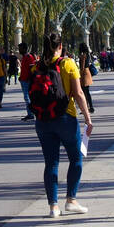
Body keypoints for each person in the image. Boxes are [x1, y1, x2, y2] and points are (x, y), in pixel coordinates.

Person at [28, 31, 93, 217]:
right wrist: (88, 118)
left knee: (51, 163)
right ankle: (71, 200)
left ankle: (53, 207)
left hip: (42, 120)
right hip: (65, 118)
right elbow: (79, 94)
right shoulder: (67, 63)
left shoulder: (36, 67)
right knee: (76, 159)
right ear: (60, 46)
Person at [18, 42, 37, 120]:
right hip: (23, 80)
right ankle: (30, 113)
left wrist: (30, 78)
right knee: (27, 98)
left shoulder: (29, 57)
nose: (19, 50)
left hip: (27, 81)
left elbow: (32, 69)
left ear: (24, 49)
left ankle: (31, 114)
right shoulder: (24, 57)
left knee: (27, 98)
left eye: (20, 48)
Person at [77, 46, 96, 114]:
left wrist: (79, 74)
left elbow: (82, 66)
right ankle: (90, 107)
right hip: (87, 72)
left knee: (84, 92)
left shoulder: (83, 55)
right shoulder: (87, 54)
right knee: (86, 92)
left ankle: (88, 107)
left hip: (83, 73)